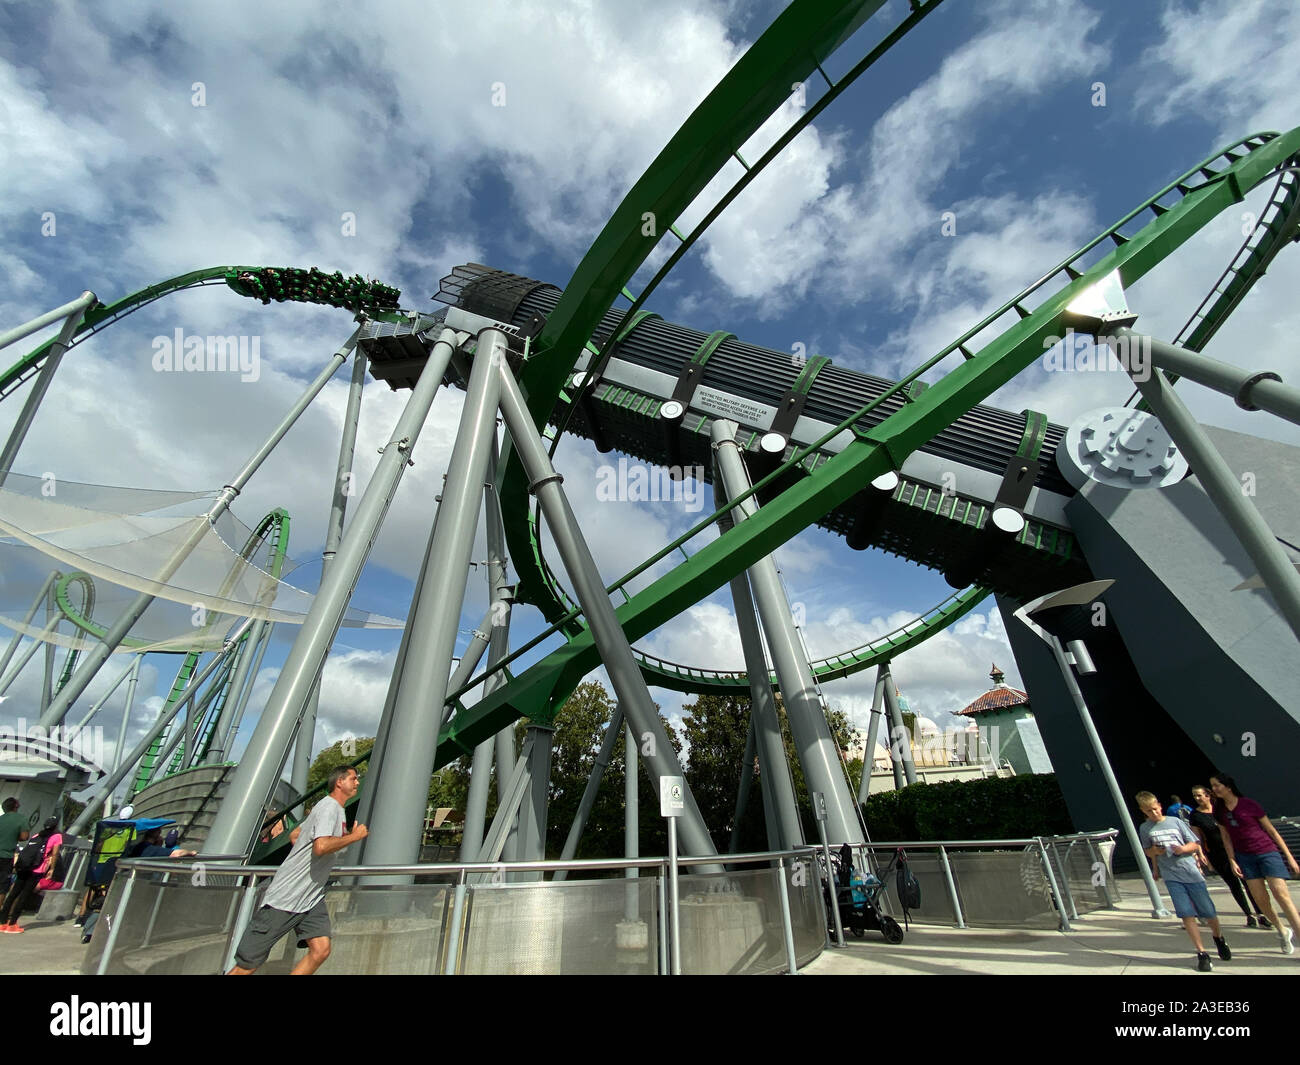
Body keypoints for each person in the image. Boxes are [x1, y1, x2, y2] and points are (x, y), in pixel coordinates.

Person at [227, 766, 365, 975]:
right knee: (246, 967)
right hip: (286, 897)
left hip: (310, 897)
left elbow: (295, 835)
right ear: (339, 782)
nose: (357, 783)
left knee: (321, 949)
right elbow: (321, 847)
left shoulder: (333, 809)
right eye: (354, 778)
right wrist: (354, 837)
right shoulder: (329, 808)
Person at [1136, 791, 1230, 972]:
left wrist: (1182, 849)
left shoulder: (1176, 822)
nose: (1153, 813)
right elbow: (1148, 850)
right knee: (1186, 913)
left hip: (1190, 872)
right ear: (1143, 811)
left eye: (1155, 809)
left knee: (1208, 911)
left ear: (1160, 806)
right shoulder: (1145, 828)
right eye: (1149, 811)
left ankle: (1218, 938)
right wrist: (1156, 853)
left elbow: (1195, 843)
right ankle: (1201, 952)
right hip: (1171, 875)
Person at [1210, 773, 1300, 954]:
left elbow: (1271, 831)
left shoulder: (1249, 804)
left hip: (1267, 852)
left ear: (1228, 786)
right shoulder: (1219, 811)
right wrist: (1232, 859)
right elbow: (1226, 837)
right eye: (1212, 786)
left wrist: (1289, 857)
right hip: (1245, 857)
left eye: (1217, 785)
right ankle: (1282, 930)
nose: (1214, 789)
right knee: (1260, 899)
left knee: (1280, 894)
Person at [1188, 784, 1267, 928]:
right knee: (1234, 885)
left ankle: (1261, 914)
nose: (1197, 798)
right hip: (1217, 854)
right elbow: (1197, 837)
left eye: (1199, 795)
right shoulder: (1195, 815)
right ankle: (1249, 915)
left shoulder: (1220, 810)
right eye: (1194, 795)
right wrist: (1201, 854)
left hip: (1236, 850)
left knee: (1248, 883)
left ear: (1208, 795)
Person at [0, 817, 62, 933]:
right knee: (24, 895)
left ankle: (2, 923)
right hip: (37, 869)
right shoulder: (56, 837)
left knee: (13, 893)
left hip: (24, 867)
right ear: (55, 826)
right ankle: (12, 924)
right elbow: (55, 854)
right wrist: (52, 869)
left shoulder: (36, 835)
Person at [0, 797, 29, 884]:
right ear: (16, 806)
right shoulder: (21, 819)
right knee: (3, 886)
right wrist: (14, 836)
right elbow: (24, 837)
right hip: (6, 857)